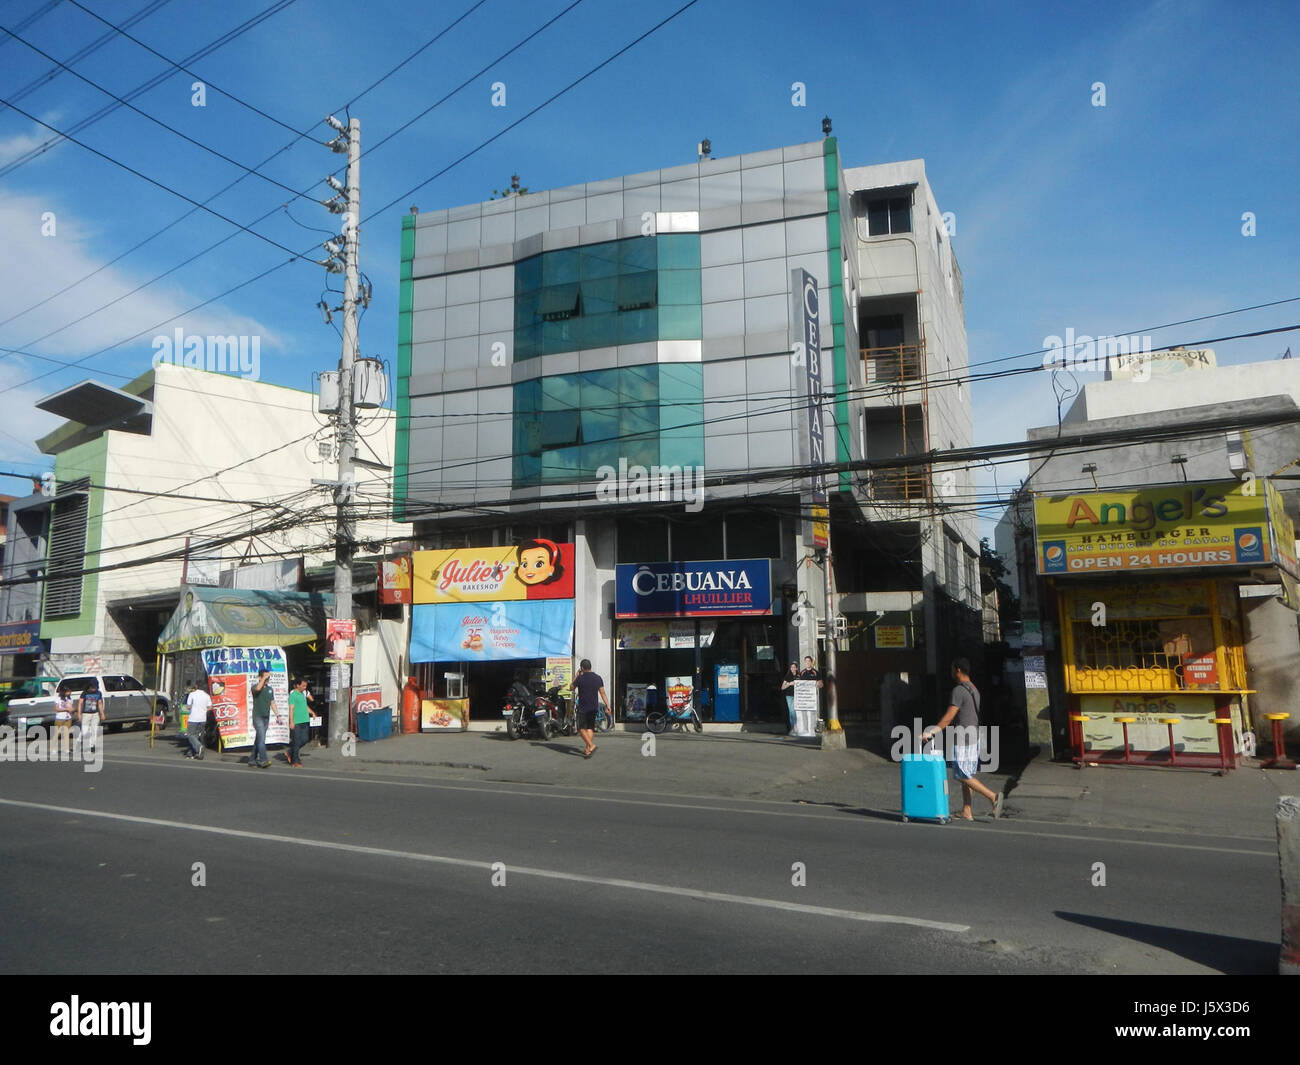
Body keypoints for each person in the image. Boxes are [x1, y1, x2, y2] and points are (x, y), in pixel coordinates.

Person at [922, 657, 1002, 821]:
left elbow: (949, 717)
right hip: (975, 735)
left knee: (962, 774)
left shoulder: (958, 690)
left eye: (952, 669)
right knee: (968, 774)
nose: (950, 672)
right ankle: (967, 810)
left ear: (958, 670)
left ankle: (993, 797)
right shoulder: (974, 689)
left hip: (964, 737)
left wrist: (932, 732)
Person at [572, 658, 610, 759]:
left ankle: (591, 745)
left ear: (582, 668)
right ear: (590, 667)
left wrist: (576, 675)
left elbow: (571, 687)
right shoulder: (598, 678)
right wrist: (608, 705)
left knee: (581, 728)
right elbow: (602, 693)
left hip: (583, 707)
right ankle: (588, 749)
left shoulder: (580, 678)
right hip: (593, 707)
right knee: (589, 728)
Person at [249, 668, 274, 768]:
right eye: (265, 677)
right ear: (260, 677)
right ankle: (263, 760)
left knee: (259, 739)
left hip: (266, 717)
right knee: (262, 740)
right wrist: (263, 678)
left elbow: (272, 702)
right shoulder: (254, 687)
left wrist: (278, 715)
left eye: (268, 677)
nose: (267, 679)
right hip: (257, 716)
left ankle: (252, 760)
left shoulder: (270, 689)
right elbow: (258, 689)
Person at [286, 676, 313, 767]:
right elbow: (291, 709)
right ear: (297, 685)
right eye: (303, 686)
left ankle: (291, 751)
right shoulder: (293, 695)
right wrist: (291, 722)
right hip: (297, 722)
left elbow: (305, 706)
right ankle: (295, 761)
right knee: (296, 742)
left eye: (306, 686)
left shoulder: (302, 694)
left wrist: (312, 713)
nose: (305, 688)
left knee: (305, 739)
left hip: (305, 720)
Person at [184, 679, 212, 760]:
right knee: (196, 736)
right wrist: (204, 711)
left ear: (196, 686)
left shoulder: (192, 694)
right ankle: (192, 753)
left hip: (193, 718)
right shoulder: (207, 696)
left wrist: (187, 707)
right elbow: (210, 707)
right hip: (203, 719)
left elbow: (188, 706)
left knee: (190, 735)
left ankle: (199, 747)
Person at [78, 679, 105, 751]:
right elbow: (80, 703)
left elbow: (99, 703)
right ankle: (80, 741)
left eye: (95, 687)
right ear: (89, 687)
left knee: (94, 730)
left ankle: (92, 745)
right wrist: (79, 714)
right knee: (85, 730)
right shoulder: (84, 693)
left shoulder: (98, 693)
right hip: (86, 714)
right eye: (92, 687)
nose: (94, 689)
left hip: (95, 714)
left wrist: (102, 714)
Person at [53, 682, 75, 753]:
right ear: (64, 692)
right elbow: (56, 709)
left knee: (66, 734)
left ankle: (66, 749)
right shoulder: (58, 699)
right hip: (60, 718)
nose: (69, 693)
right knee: (57, 734)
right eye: (68, 692)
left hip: (68, 718)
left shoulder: (70, 699)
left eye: (69, 692)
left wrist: (73, 710)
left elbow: (71, 707)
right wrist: (66, 709)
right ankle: (53, 749)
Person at [779, 663, 799, 736]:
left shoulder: (799, 676)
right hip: (789, 696)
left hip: (798, 696)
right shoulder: (788, 676)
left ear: (796, 668)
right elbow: (782, 687)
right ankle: (793, 728)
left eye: (794, 667)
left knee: (795, 712)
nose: (793, 669)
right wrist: (789, 684)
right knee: (791, 712)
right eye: (791, 667)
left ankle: (796, 727)